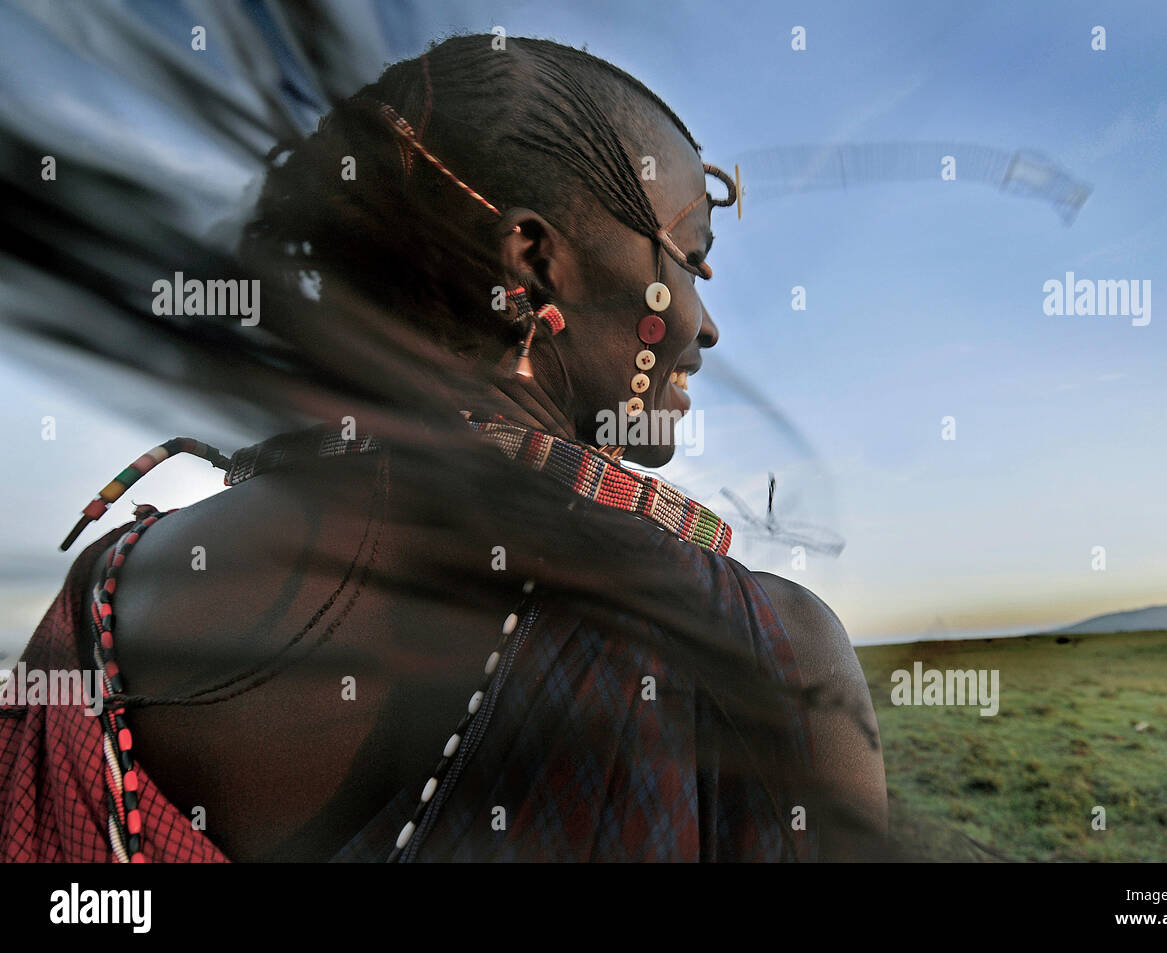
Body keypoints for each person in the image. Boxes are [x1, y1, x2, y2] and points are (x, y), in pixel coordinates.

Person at [0, 35, 885, 862]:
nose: (708, 325)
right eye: (692, 262)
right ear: (535, 257)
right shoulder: (770, 651)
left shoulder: (105, 599)